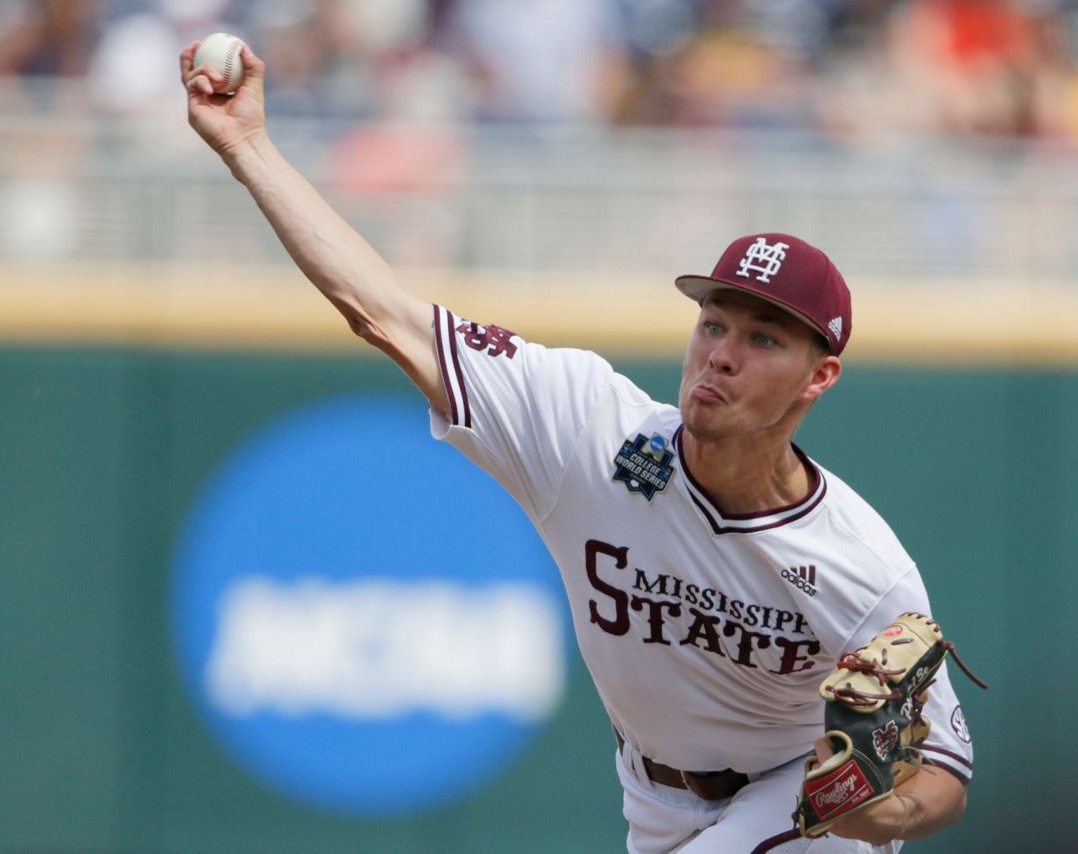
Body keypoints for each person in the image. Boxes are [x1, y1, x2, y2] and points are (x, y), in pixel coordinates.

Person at [181, 39, 976, 854]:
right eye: (713, 324)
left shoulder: (860, 565)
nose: (721, 354)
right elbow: (384, 313)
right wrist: (248, 146)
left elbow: (947, 771)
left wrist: (884, 815)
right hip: (653, 801)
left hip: (800, 807)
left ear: (820, 376)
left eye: (763, 339)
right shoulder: (590, 431)